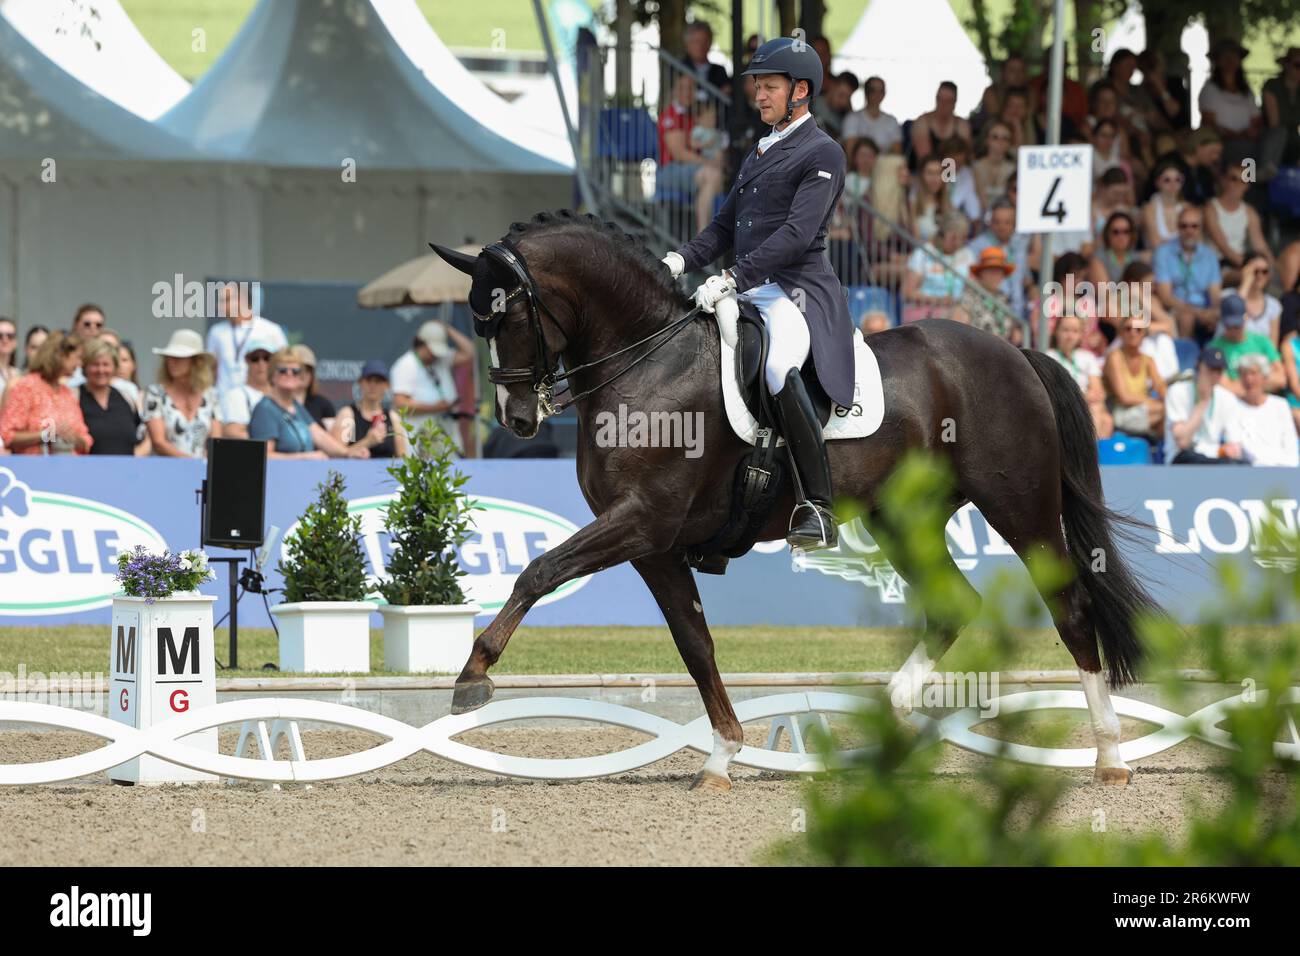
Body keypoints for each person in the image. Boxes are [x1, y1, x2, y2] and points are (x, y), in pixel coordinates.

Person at [662, 36, 853, 552]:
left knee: (776, 368)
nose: (759, 95)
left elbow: (795, 235)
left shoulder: (823, 152)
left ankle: (817, 505)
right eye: (758, 86)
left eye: (769, 87)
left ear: (800, 91)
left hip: (797, 291)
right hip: (751, 286)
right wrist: (677, 260)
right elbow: (724, 226)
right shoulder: (759, 149)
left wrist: (732, 279)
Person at [248, 348, 367, 460]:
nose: (289, 374)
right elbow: (265, 457)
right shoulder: (265, 409)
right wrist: (305, 457)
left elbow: (319, 436)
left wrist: (348, 452)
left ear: (300, 377)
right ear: (272, 375)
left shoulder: (295, 406)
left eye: (295, 371)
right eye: (283, 370)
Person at [0, 331, 91, 455]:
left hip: (69, 469)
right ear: (61, 355)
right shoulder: (27, 387)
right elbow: (6, 435)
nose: (80, 364)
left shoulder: (67, 393)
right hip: (34, 469)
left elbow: (86, 441)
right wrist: (46, 435)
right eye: (77, 357)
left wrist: (72, 437)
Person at [389, 319, 474, 450]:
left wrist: (446, 328)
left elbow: (469, 351)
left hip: (446, 434)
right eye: (432, 350)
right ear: (421, 343)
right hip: (420, 438)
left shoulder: (442, 359)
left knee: (452, 468)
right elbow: (400, 404)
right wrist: (435, 407)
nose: (435, 355)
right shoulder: (406, 365)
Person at [657, 72, 724, 234]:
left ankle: (711, 236)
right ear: (673, 91)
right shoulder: (671, 116)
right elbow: (680, 154)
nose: (687, 93)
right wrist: (709, 162)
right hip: (671, 170)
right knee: (713, 176)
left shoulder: (695, 115)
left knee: (718, 178)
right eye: (682, 88)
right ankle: (704, 234)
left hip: (693, 168)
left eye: (691, 88)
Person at [143, 329, 222, 458]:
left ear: (196, 362)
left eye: (179, 358)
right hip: (165, 471)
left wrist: (205, 465)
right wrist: (191, 463)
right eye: (169, 357)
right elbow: (158, 442)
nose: (171, 362)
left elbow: (216, 441)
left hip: (202, 472)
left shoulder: (211, 395)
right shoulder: (155, 393)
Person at [204, 284, 288, 400]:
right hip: (224, 404)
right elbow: (211, 369)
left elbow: (284, 365)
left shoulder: (271, 330)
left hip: (262, 401)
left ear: (241, 300)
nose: (219, 306)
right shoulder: (216, 332)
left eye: (225, 300)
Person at [1164, 347, 1245, 464]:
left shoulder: (1227, 398)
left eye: (1219, 370)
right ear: (1198, 365)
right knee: (1198, 459)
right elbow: (1182, 442)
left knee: (1242, 466)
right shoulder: (1177, 391)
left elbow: (1234, 442)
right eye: (1211, 368)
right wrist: (1203, 402)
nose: (1214, 374)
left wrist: (1231, 449)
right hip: (1181, 457)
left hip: (1213, 458)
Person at [1153, 206, 1222, 342]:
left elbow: (1215, 294)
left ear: (1200, 229)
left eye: (1194, 226)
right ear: (1178, 228)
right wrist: (1198, 313)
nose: (1189, 230)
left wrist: (1214, 312)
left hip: (1204, 308)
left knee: (1225, 313)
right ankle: (1185, 359)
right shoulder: (1163, 253)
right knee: (1186, 317)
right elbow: (1166, 297)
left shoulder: (1209, 255)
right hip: (1175, 309)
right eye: (1184, 226)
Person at [966, 199, 1033, 324]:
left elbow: (1025, 280)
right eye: (997, 222)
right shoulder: (976, 247)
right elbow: (971, 280)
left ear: (1014, 225)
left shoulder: (1019, 246)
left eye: (1007, 223)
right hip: (989, 311)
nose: (1002, 227)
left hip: (1018, 314)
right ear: (990, 223)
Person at [76, 337, 146, 456]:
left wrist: (137, 458)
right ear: (85, 367)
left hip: (127, 471)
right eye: (95, 364)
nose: (101, 370)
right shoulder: (74, 396)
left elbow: (143, 435)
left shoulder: (126, 397)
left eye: (106, 364)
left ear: (114, 367)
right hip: (87, 471)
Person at [1205, 165, 1273, 284]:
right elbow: (1223, 247)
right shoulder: (1211, 208)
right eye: (1233, 179)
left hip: (1241, 264)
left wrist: (1269, 265)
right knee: (1251, 276)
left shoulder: (1249, 212)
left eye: (1243, 181)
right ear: (1224, 181)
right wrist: (1251, 267)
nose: (1238, 184)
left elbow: (1260, 245)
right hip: (1215, 264)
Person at [1207, 296, 1286, 397]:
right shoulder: (1213, 349)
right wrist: (1260, 381)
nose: (1233, 330)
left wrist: (1244, 385)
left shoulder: (1262, 341)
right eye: (1229, 325)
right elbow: (1226, 387)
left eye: (1237, 325)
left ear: (1246, 318)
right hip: (1233, 404)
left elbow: (1280, 379)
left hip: (1263, 403)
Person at [1048, 313, 1112, 439]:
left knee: (1104, 417)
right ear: (1056, 332)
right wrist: (1082, 397)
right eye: (1065, 330)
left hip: (1087, 407)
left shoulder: (1087, 357)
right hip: (1063, 408)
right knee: (1100, 416)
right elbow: (1054, 392)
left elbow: (1098, 390)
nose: (1070, 336)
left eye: (1075, 331)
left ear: (1081, 335)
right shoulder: (1050, 356)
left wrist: (1086, 398)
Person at [1103, 313, 1166, 439]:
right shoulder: (1114, 357)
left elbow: (1161, 387)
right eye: (1128, 329)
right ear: (1121, 333)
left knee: (1168, 409)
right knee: (1164, 410)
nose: (1133, 333)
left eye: (1138, 329)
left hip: (1142, 410)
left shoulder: (1148, 360)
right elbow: (1124, 397)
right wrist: (1152, 401)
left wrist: (1166, 394)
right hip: (1119, 412)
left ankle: (1158, 450)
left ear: (1144, 334)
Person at [903, 212, 973, 323]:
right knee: (959, 318)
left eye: (962, 238)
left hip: (956, 310)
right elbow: (907, 292)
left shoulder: (967, 255)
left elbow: (972, 288)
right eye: (953, 238)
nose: (957, 243)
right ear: (941, 235)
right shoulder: (923, 253)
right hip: (923, 310)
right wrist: (937, 300)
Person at [331, 360, 409, 458]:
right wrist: (367, 442)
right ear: (360, 383)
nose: (373, 385)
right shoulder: (348, 415)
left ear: (386, 385)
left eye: (378, 381)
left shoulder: (393, 418)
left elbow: (402, 458)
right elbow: (336, 457)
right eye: (369, 380)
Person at [1233, 354, 1299, 467]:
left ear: (1264, 377)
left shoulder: (1280, 405)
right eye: (1244, 374)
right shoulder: (1232, 406)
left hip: (1283, 471)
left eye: (1253, 373)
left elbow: (1291, 449)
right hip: (1248, 473)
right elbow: (1239, 448)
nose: (1249, 379)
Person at [1198, 38, 1261, 148]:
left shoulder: (1246, 91)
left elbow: (1256, 120)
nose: (1230, 60)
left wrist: (1248, 133)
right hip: (1222, 142)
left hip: (1248, 141)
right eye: (1225, 56)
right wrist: (1234, 136)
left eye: (1234, 56)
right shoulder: (1209, 89)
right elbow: (1209, 123)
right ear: (1218, 61)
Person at [218, 335, 275, 439]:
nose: (261, 363)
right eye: (255, 359)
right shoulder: (237, 395)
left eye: (267, 358)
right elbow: (232, 431)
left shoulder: (281, 394)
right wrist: (271, 442)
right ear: (247, 360)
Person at [952, 246, 1015, 338]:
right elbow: (957, 332)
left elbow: (1011, 330)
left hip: (1002, 350)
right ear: (980, 273)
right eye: (991, 271)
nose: (995, 275)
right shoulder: (968, 297)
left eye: (999, 271)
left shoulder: (1004, 298)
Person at [1220, 257, 1281, 344]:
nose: (1260, 276)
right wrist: (1246, 282)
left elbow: (1273, 345)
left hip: (1261, 355)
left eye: (1264, 271)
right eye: (1255, 271)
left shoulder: (1273, 304)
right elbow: (1235, 308)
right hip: (1231, 351)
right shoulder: (1227, 295)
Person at [1261, 47, 1300, 178]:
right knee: (1281, 133)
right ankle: (1268, 169)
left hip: (1294, 137)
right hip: (1274, 135)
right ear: (1286, 65)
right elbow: (1274, 122)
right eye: (1297, 65)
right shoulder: (1273, 86)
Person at [910, 81, 971, 161]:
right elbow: (925, 159)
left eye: (948, 101)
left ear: (955, 102)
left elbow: (964, 157)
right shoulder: (922, 122)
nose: (943, 104)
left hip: (953, 171)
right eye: (940, 99)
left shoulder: (962, 125)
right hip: (927, 171)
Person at [841, 76, 902, 154]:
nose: (877, 94)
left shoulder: (892, 121)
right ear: (866, 92)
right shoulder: (851, 118)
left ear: (884, 94)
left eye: (881, 90)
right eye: (873, 90)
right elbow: (850, 153)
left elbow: (896, 154)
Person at [1141, 157, 1186, 250]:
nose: (1173, 184)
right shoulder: (1149, 209)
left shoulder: (1187, 208)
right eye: (1167, 180)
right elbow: (1156, 245)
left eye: (1177, 180)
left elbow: (1196, 243)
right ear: (1157, 182)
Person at [289, 343, 336, 429]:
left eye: (308, 370)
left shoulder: (324, 405)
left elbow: (332, 438)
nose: (303, 375)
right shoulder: (277, 403)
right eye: (299, 370)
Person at [971, 119, 1015, 209]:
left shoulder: (1013, 169)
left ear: (1009, 143)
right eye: (995, 137)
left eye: (1005, 138)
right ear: (987, 140)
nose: (1000, 142)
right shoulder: (976, 167)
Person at [909, 155, 950, 243]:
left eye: (938, 173)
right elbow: (916, 240)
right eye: (930, 173)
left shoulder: (948, 205)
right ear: (921, 176)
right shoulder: (913, 204)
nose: (934, 179)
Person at [0, 317, 19, 404]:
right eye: (0, 336)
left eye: (10, 336)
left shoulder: (19, 373)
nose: (5, 340)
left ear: (16, 342)